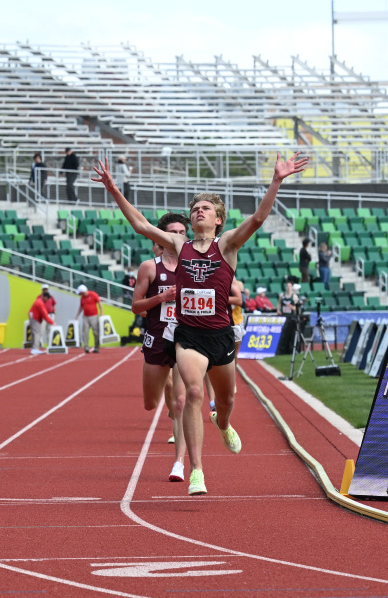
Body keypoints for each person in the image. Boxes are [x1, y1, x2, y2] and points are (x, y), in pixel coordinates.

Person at [93, 150, 307, 496]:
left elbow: (257, 219)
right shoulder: (180, 244)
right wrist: (114, 189)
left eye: (205, 208)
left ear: (218, 219)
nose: (198, 211)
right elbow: (142, 226)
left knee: (227, 399)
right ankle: (197, 471)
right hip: (188, 334)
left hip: (220, 335)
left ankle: (223, 422)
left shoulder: (228, 244)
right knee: (193, 392)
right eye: (195, 209)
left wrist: (276, 180)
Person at [132, 212, 191, 482]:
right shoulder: (149, 267)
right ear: (162, 236)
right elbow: (136, 306)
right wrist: (162, 297)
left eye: (182, 232)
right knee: (149, 403)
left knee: (182, 402)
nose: (178, 236)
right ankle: (167, 404)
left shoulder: (194, 267)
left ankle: (179, 463)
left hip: (185, 338)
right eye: (173, 232)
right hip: (157, 338)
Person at [75, 283, 102, 353]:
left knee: (96, 332)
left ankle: (97, 347)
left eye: (80, 293)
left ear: (83, 292)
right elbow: (81, 307)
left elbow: (100, 303)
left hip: (94, 316)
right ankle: (86, 347)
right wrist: (77, 316)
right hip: (85, 316)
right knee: (85, 332)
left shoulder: (93, 294)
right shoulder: (82, 298)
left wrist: (102, 313)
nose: (80, 294)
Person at [29, 290, 55, 355]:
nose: (48, 300)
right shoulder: (40, 303)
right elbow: (45, 314)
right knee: (37, 333)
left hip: (34, 318)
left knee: (35, 333)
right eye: (48, 299)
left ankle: (34, 348)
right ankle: (35, 348)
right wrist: (52, 322)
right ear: (45, 297)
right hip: (35, 319)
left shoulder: (39, 301)